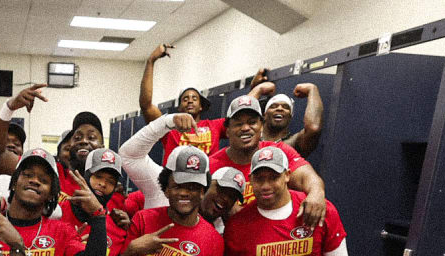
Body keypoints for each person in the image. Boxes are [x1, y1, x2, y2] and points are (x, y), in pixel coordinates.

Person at [222, 146, 353, 256]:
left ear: (287, 175)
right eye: (259, 179)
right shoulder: (237, 226)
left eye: (273, 177)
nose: (266, 186)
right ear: (250, 180)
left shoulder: (317, 209)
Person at [138, 44, 277, 159]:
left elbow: (240, 112)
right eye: (185, 99)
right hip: (175, 182)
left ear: (201, 107)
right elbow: (146, 106)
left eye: (194, 98)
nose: (190, 101)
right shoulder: (169, 128)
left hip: (206, 182)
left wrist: (256, 89)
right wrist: (151, 61)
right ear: (180, 107)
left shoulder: (214, 126)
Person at [209, 94, 328, 228]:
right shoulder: (212, 164)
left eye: (252, 122)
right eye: (238, 124)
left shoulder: (278, 152)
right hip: (232, 235)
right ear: (228, 131)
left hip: (275, 232)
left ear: (261, 126)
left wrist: (316, 194)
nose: (246, 128)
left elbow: (306, 177)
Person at [119, 112, 248, 230]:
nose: (185, 192)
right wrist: (167, 122)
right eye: (179, 184)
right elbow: (128, 155)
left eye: (194, 186)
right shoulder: (160, 187)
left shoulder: (217, 229)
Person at [261, 85, 324, 157]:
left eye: (286, 107)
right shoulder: (253, 139)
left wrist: (312, 89)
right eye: (273, 106)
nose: (280, 109)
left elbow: (313, 128)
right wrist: (258, 89)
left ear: (290, 117)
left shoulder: (293, 144)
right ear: (264, 115)